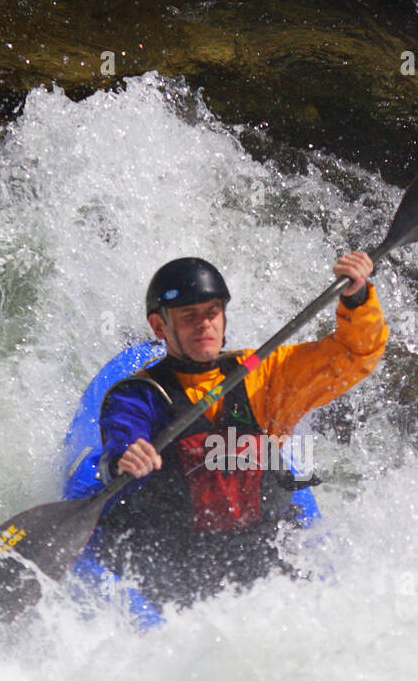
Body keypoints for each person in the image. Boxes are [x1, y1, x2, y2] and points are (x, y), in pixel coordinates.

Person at [91, 253, 388, 608]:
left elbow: (354, 355)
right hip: (173, 560)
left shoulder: (263, 374)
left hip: (260, 550)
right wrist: (127, 456)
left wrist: (356, 298)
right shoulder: (139, 394)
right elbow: (123, 438)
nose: (205, 325)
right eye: (189, 317)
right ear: (159, 327)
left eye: (212, 313)